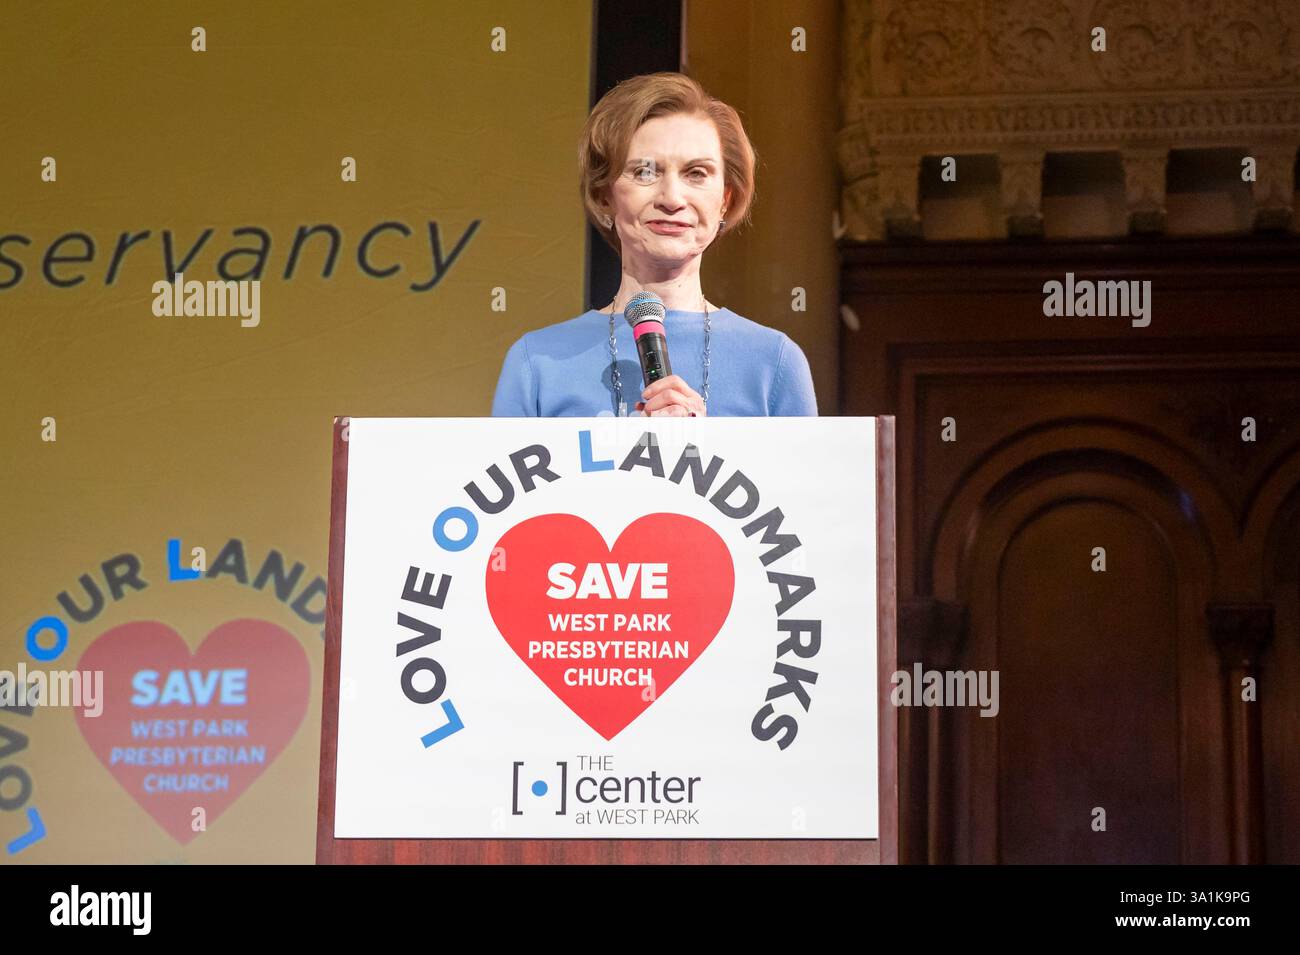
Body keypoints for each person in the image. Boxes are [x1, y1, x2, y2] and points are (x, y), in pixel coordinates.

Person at [491, 71, 817, 418]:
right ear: (605, 197)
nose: (672, 198)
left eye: (696, 173)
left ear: (724, 199)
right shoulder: (537, 363)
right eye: (645, 172)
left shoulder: (774, 362)